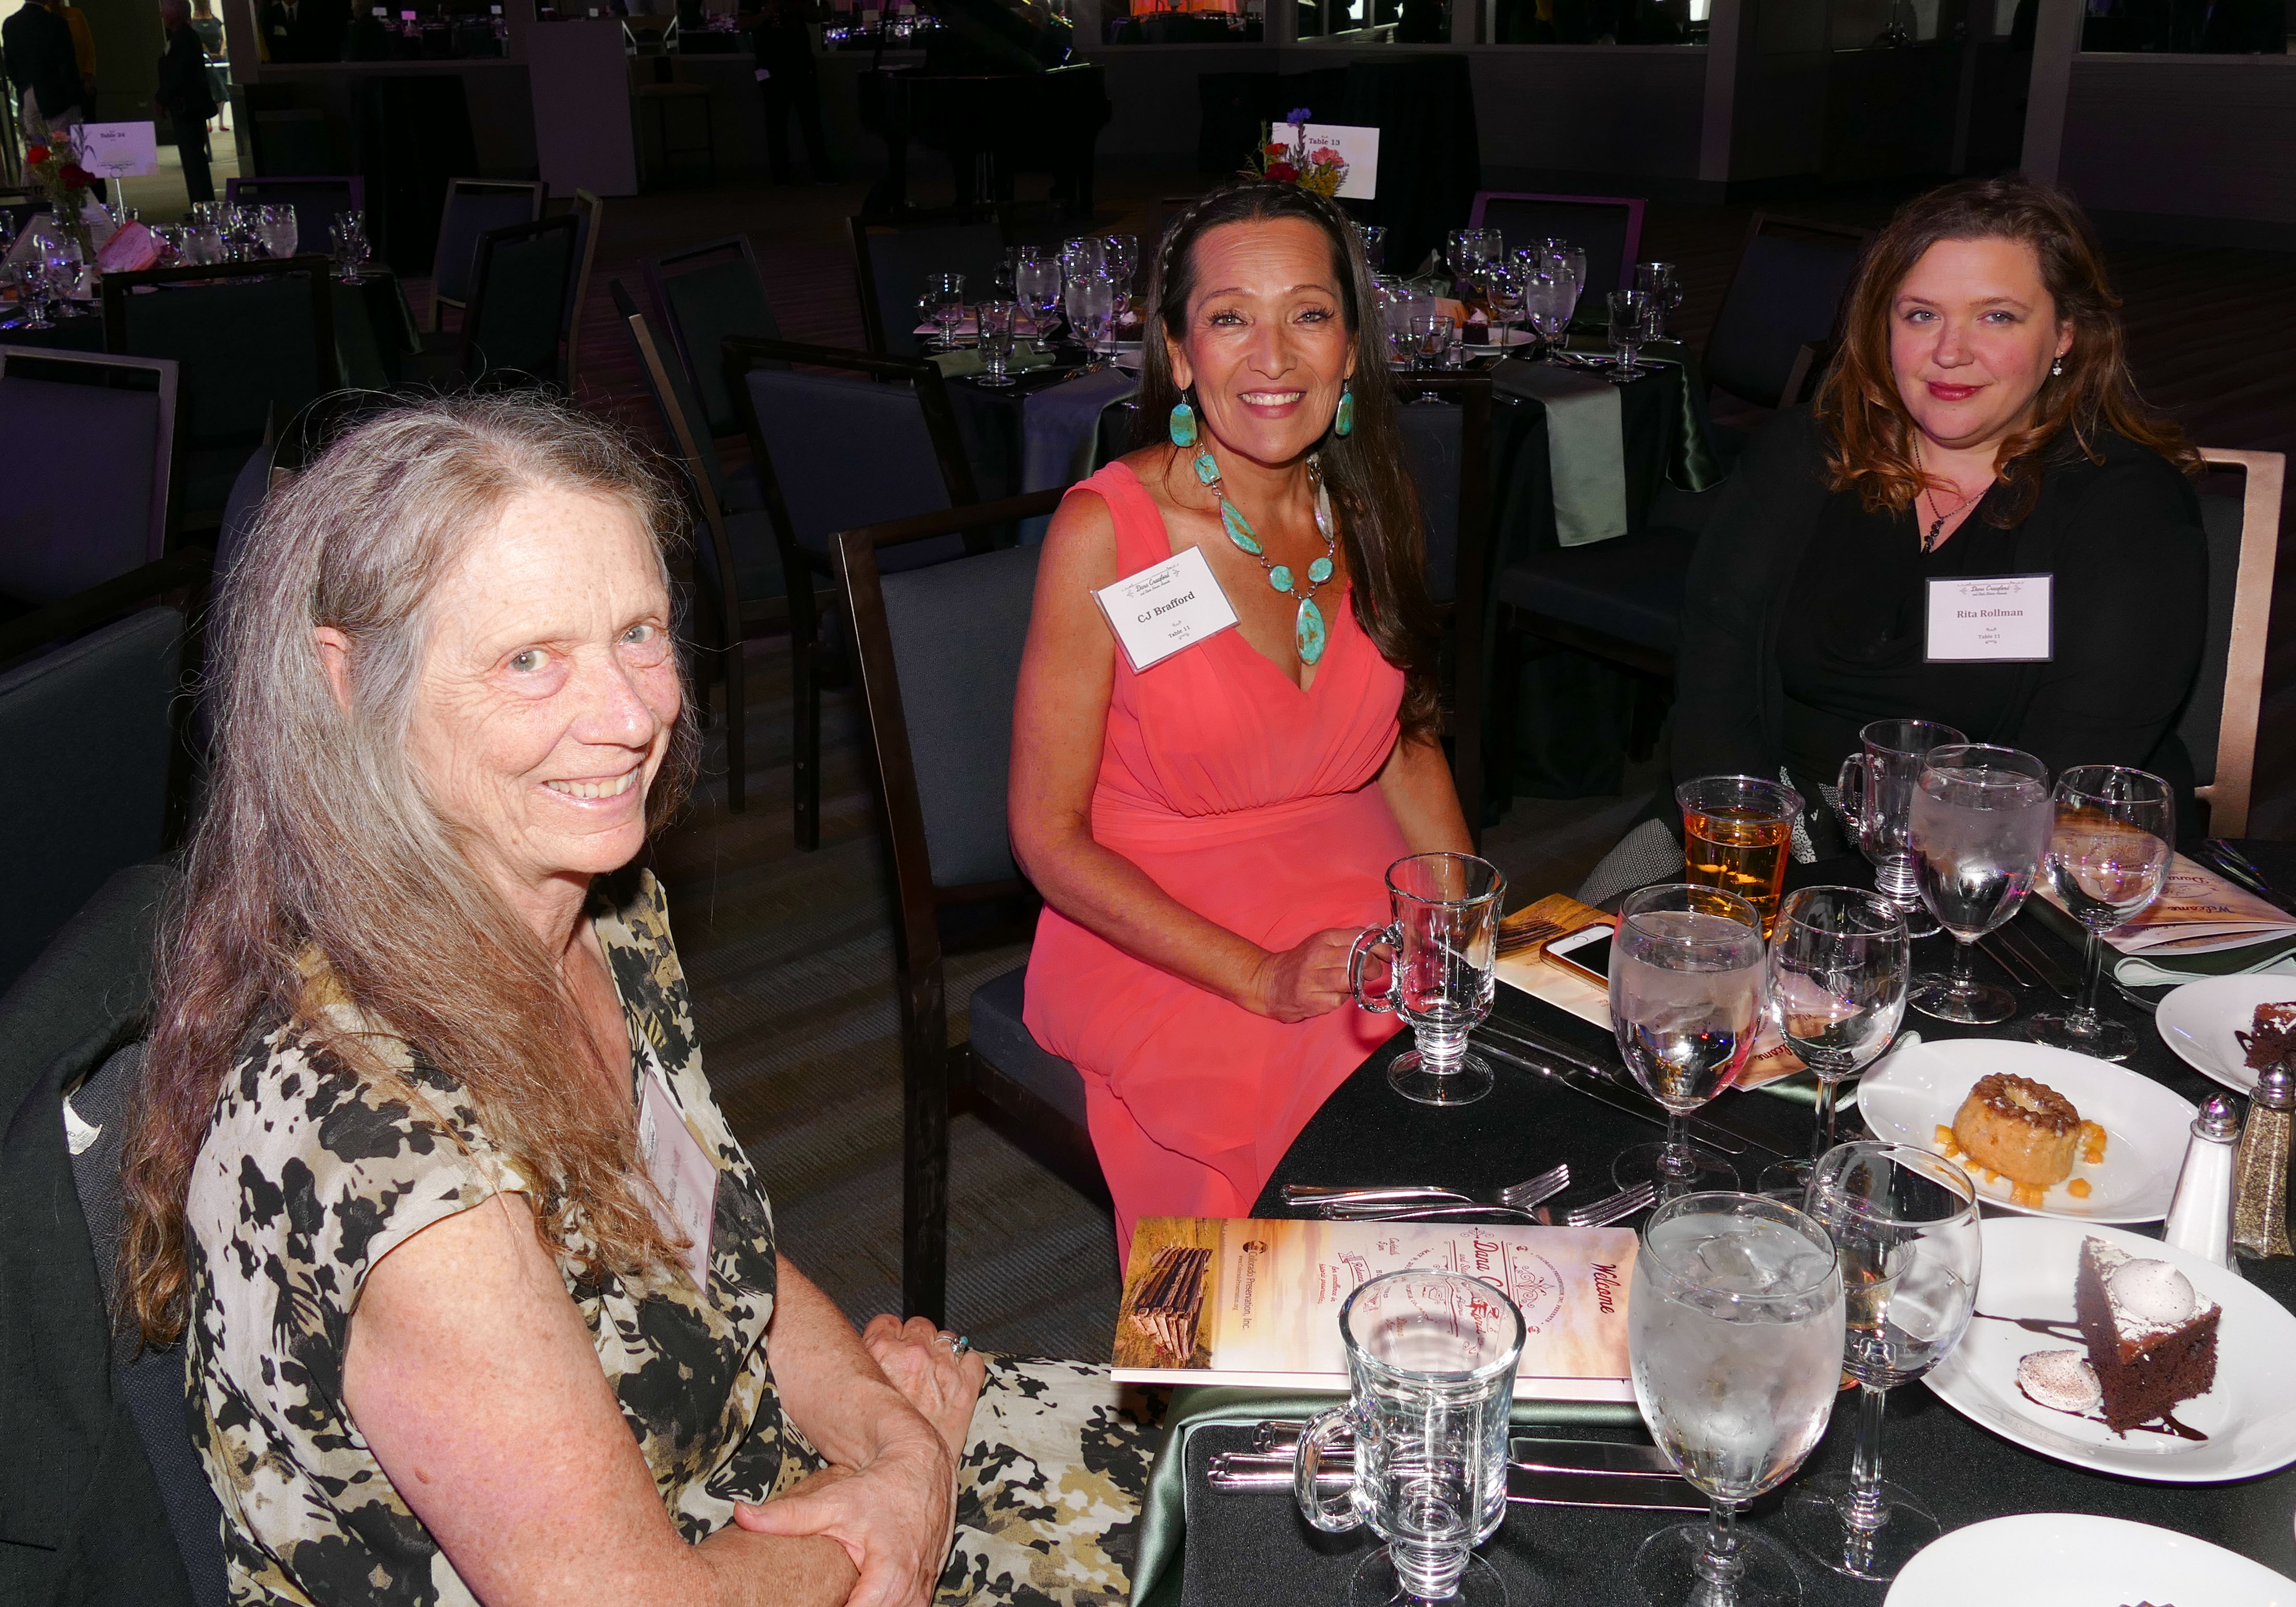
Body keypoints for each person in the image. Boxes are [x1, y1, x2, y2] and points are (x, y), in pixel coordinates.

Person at [118, 395, 1153, 1606]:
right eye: (527, 659)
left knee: (1232, 1458)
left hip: (743, 1479)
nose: (630, 714)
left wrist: (889, 1430)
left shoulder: (605, 919)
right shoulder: (378, 1153)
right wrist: (903, 1493)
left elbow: (723, 1261)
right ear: (346, 681)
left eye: (637, 632)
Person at [1009, 181, 1472, 1259]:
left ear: (1351, 348)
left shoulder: (1365, 500)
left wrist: (1456, 915)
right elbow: (1046, 835)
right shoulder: (1107, 532)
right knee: (1333, 1131)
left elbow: (1408, 739)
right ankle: (1264, 1401)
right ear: (1178, 354)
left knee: (1488, 1076)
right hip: (1157, 930)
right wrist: (1258, 976)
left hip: (1359, 900)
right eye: (1228, 318)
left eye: (1308, 314)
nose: (1272, 355)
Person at [1670, 175, 2205, 857]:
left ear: (2065, 333)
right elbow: (1712, 692)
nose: (1950, 353)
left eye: (1997, 316)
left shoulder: (2127, 506)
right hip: (1773, 819)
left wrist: (1884, 896)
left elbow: (2074, 761)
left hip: (2016, 860)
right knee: (1580, 948)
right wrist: (1745, 843)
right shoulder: (1801, 452)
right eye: (1920, 314)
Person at [738, 0, 832, 185]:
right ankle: (790, 175)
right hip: (774, 64)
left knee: (807, 121)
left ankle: (810, 174)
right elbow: (743, 25)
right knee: (780, 123)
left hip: (798, 64)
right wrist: (769, 13)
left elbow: (818, 17)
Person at [155, 0, 218, 205]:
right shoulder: (183, 37)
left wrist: (161, 99)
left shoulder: (183, 39)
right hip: (186, 106)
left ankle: (202, 204)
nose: (162, 15)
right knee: (192, 159)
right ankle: (200, 203)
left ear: (176, 13)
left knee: (193, 160)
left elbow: (177, 75)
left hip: (187, 108)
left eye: (165, 11)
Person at [4, 0, 86, 143]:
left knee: (36, 149)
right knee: (64, 149)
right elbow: (67, 63)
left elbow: (10, 65)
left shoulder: (10, 24)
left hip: (28, 94)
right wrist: (76, 97)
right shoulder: (56, 23)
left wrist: (22, 88)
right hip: (57, 95)